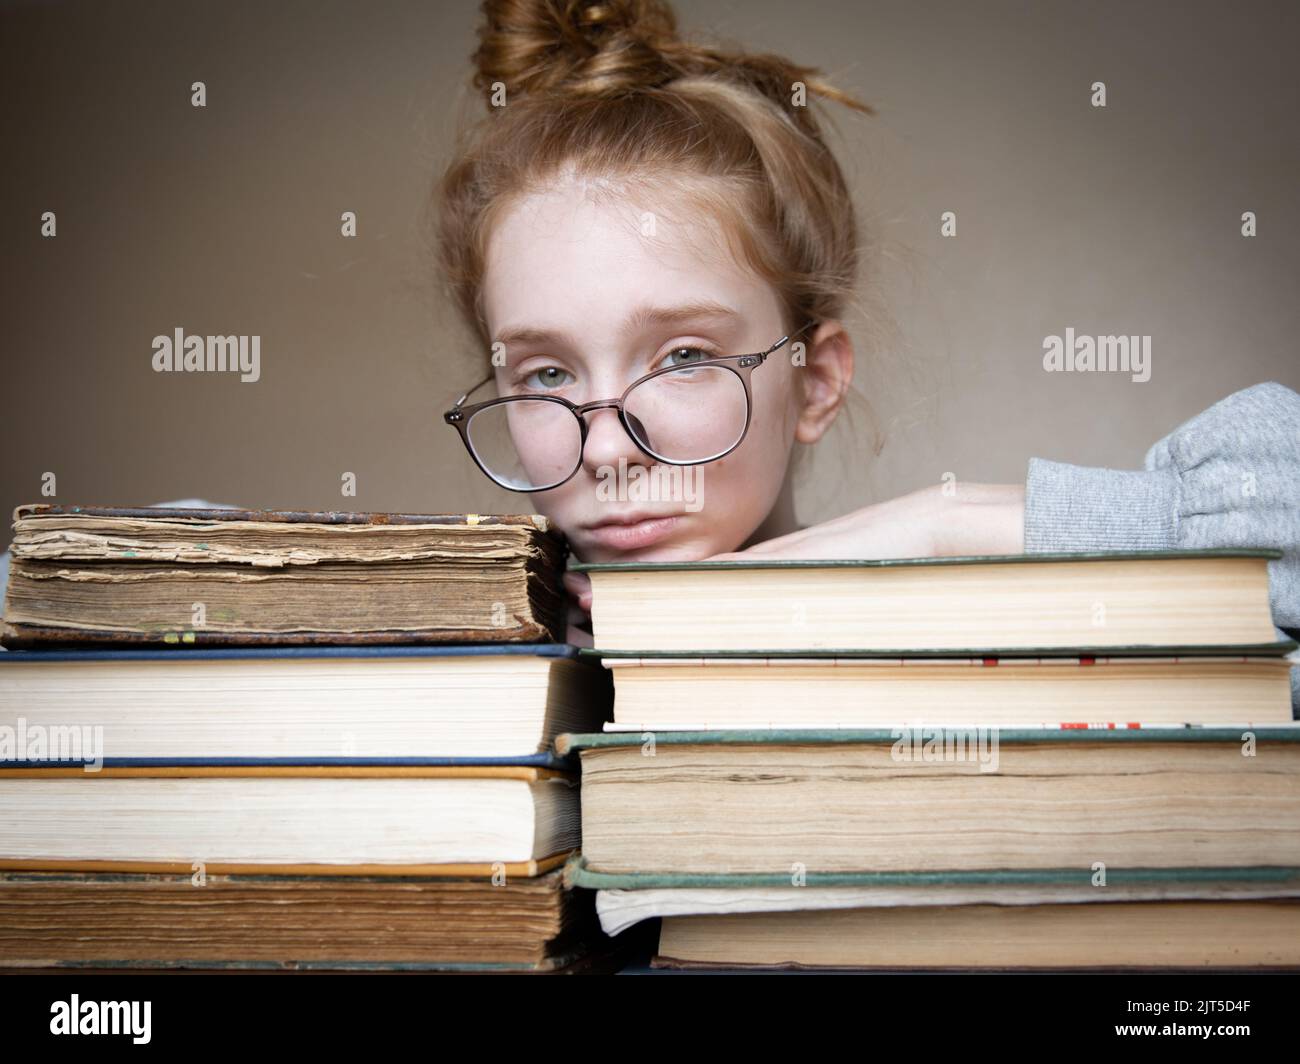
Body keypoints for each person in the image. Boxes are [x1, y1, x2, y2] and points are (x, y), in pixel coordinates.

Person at [432, 0, 1300, 708]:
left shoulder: (976, 634)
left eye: (683, 357)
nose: (611, 450)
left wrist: (941, 526)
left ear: (815, 382)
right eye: (548, 374)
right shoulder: (426, 690)